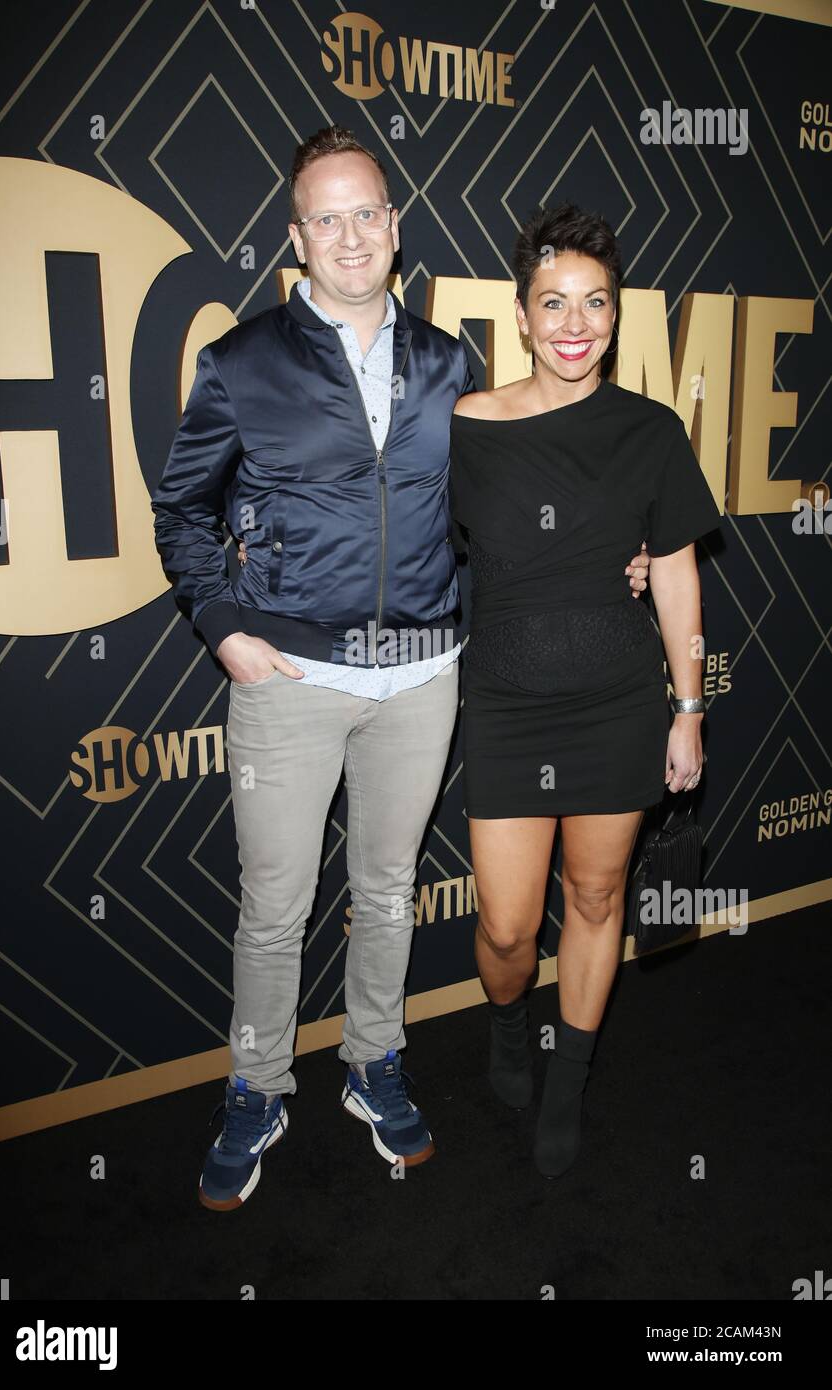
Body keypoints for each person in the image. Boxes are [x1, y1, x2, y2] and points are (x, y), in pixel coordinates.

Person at [151, 128, 651, 1212]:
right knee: (275, 905)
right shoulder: (241, 362)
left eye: (364, 212)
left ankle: (374, 1062)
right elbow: (182, 510)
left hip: (424, 675)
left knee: (385, 892)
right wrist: (225, 625)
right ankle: (255, 1085)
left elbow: (503, 505)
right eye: (322, 217)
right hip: (289, 674)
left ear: (394, 225)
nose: (346, 235)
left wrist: (621, 542)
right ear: (295, 237)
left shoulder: (447, 363)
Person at [449, 201, 721, 1179]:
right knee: (508, 927)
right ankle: (508, 1019)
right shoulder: (466, 425)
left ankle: (568, 1082)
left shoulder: (648, 431)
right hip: (509, 707)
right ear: (519, 314)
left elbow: (679, 570)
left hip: (615, 701)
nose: (572, 322)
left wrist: (686, 708)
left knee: (597, 894)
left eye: (592, 303)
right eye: (551, 301)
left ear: (616, 314)